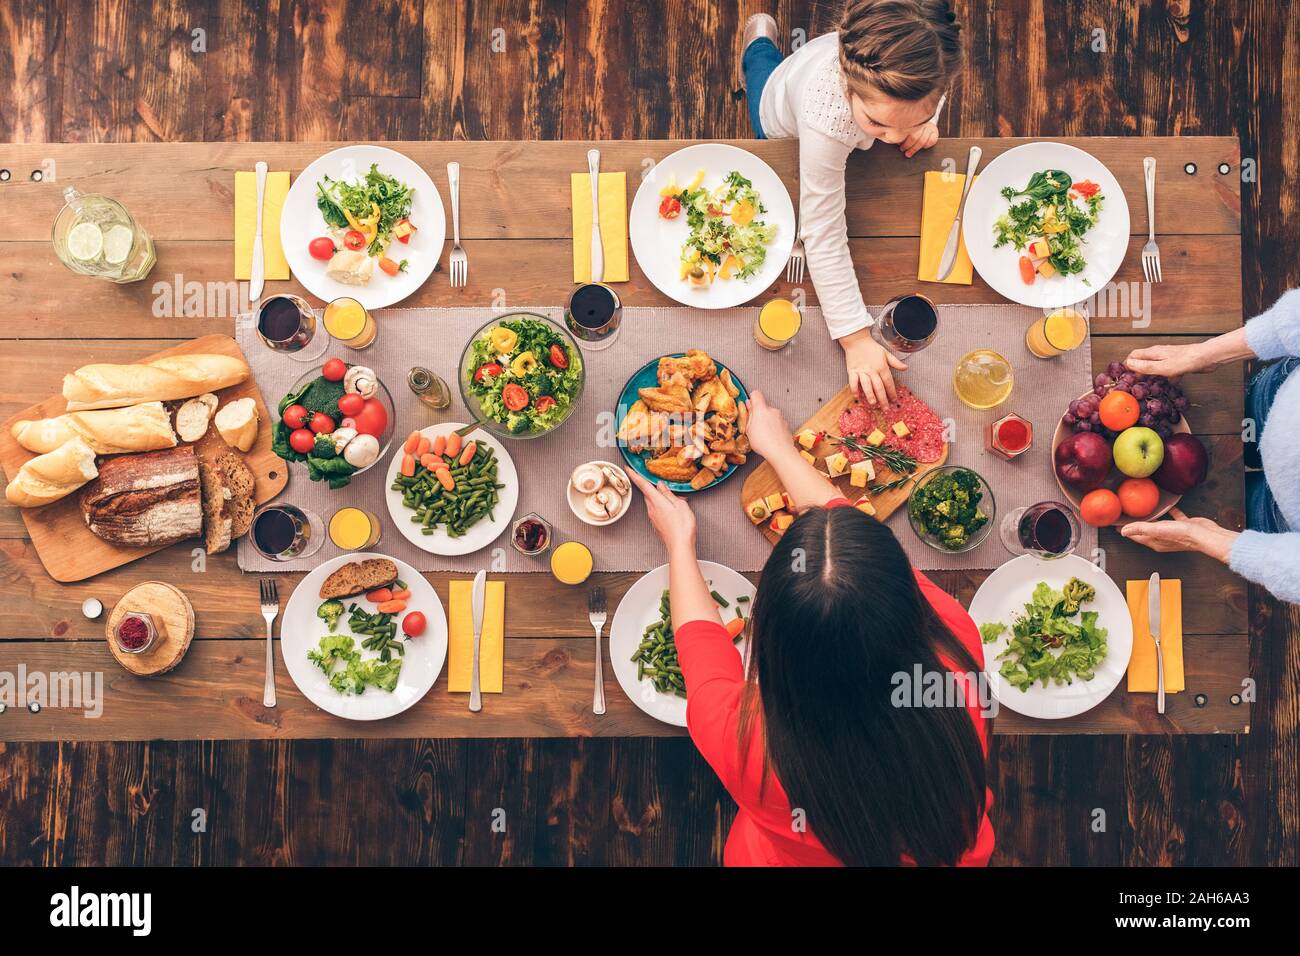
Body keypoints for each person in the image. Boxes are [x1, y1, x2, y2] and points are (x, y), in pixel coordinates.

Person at [627, 391, 994, 866]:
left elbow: (703, 650)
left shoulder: (747, 745)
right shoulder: (955, 639)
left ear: (772, 638)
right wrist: (780, 450)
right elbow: (855, 541)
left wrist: (679, 544)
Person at [739, 1, 962, 406]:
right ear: (845, 81)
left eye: (909, 122)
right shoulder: (824, 118)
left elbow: (910, 112)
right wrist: (856, 337)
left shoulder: (924, 72)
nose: (893, 140)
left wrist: (922, 125)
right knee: (762, 85)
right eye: (878, 124)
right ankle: (757, 43)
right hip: (784, 116)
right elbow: (821, 231)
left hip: (843, 107)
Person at [1120, 289, 1300, 605]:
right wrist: (1207, 353)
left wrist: (1206, 539)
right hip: (1277, 395)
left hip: (1283, 524)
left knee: (1232, 508)